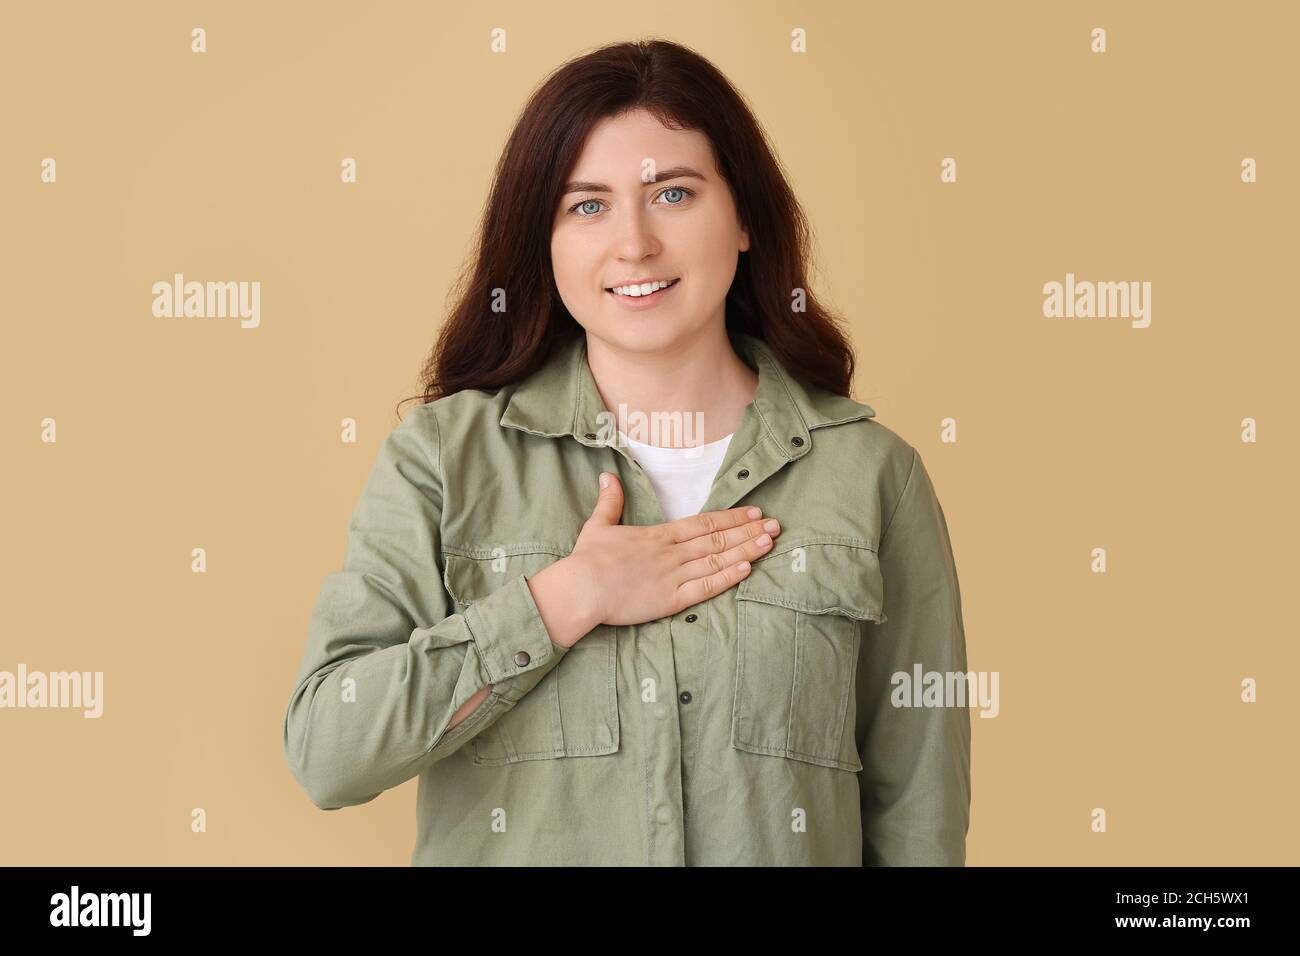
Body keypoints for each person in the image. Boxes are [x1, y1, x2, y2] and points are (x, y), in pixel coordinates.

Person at [283, 38, 970, 866]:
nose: (634, 244)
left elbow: (919, 817)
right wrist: (566, 599)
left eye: (673, 194)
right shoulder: (440, 461)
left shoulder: (871, 477)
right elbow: (328, 750)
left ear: (745, 215)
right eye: (587, 205)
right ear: (543, 239)